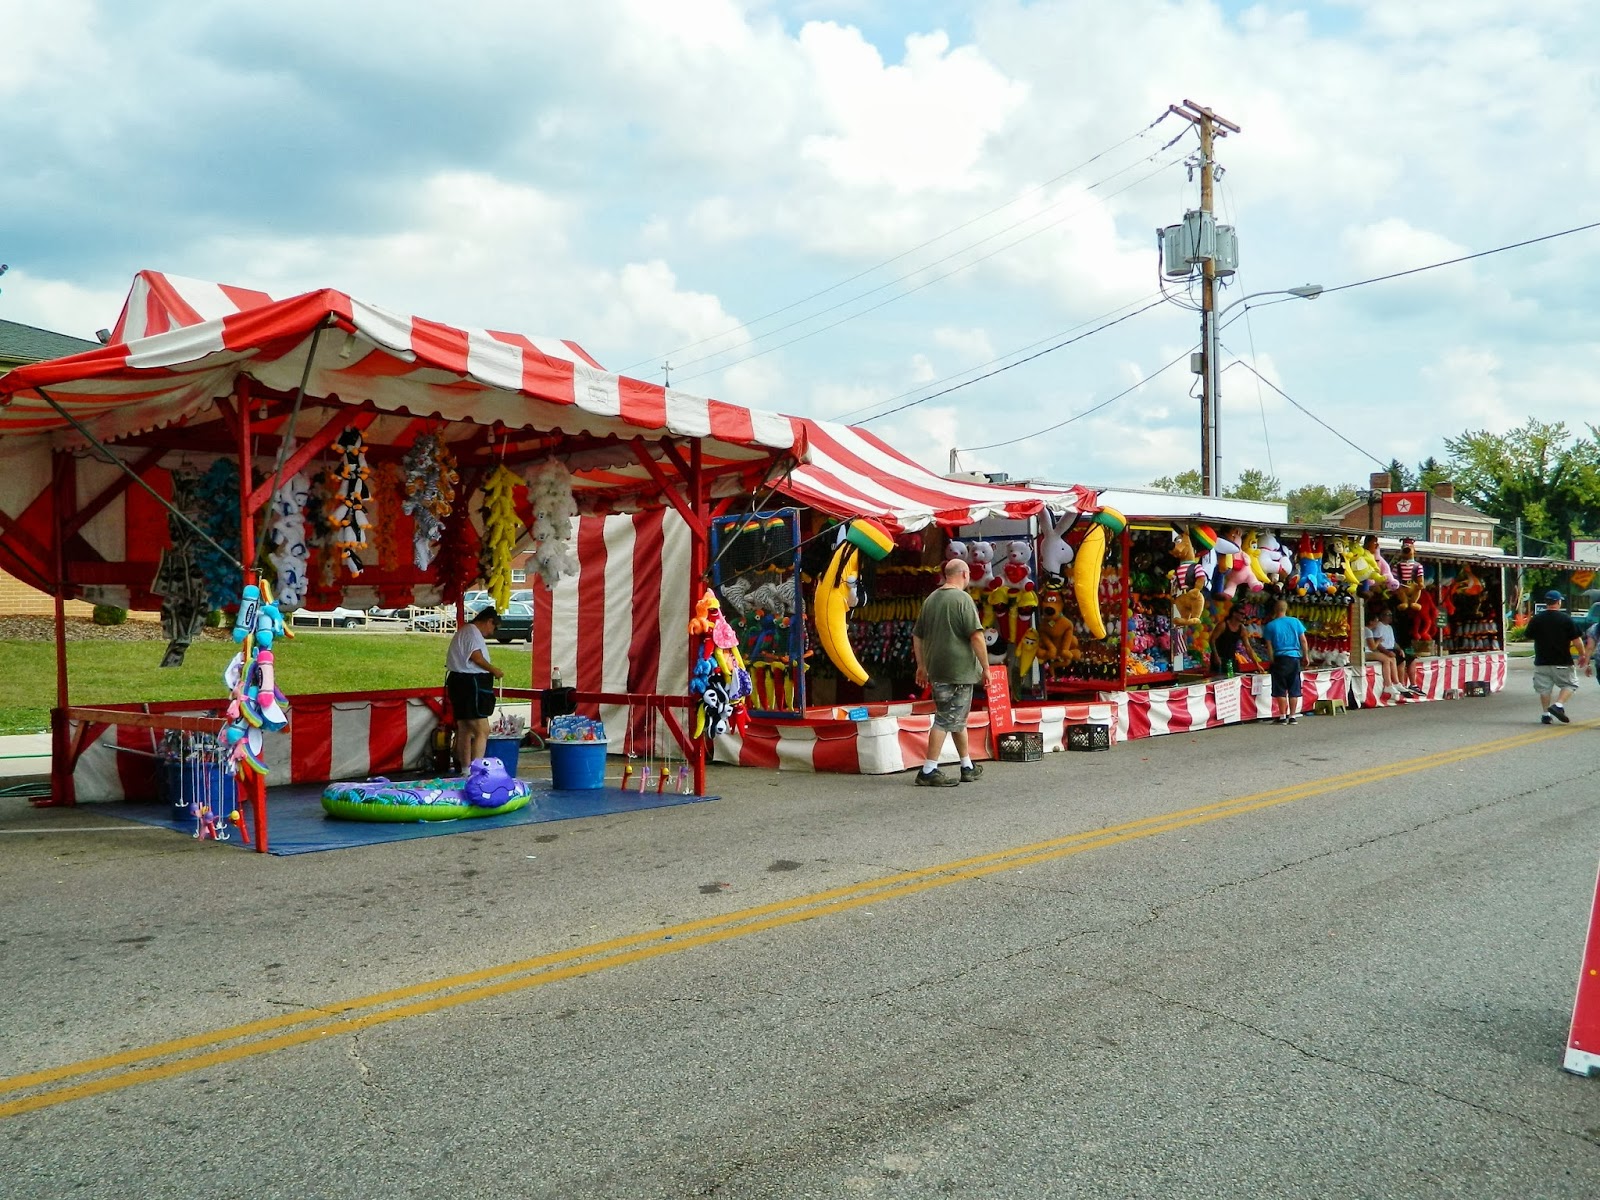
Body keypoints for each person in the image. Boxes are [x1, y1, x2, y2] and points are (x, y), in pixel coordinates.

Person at [912, 557, 989, 786]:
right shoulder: (963, 600)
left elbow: (917, 634)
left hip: (937, 669)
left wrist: (922, 665)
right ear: (964, 574)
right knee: (946, 718)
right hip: (959, 670)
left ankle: (967, 765)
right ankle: (928, 770)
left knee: (956, 716)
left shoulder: (931, 599)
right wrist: (986, 667)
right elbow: (976, 636)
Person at [445, 606, 506, 770]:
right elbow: (476, 657)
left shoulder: (466, 631)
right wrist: (494, 670)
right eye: (494, 627)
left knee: (464, 727)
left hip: (458, 680)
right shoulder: (472, 632)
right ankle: (477, 770)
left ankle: (465, 770)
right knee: (482, 729)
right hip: (471, 682)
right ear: (489, 621)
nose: (492, 632)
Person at [1527, 590, 1586, 724]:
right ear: (1559, 602)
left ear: (1546, 603)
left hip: (1541, 661)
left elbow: (1529, 635)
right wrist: (1582, 654)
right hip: (1562, 660)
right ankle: (1558, 705)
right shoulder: (1566, 619)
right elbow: (1577, 640)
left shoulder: (1537, 619)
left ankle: (1546, 714)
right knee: (1570, 684)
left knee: (1544, 688)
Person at [1263, 598, 1310, 725]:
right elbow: (1303, 640)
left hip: (1280, 658)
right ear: (1286, 609)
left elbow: (1269, 646)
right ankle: (1293, 716)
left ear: (1274, 610)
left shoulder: (1270, 626)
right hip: (1294, 658)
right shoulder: (1295, 622)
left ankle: (1282, 716)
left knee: (1280, 688)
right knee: (1294, 687)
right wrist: (1305, 656)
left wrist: (1272, 661)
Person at [1362, 607, 1412, 701]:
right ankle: (1388, 684)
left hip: (1370, 650)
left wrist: (1399, 649)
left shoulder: (1370, 630)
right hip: (1367, 651)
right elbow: (1373, 647)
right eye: (1376, 621)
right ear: (1371, 622)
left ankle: (1396, 682)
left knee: (1393, 659)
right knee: (1386, 659)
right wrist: (1379, 641)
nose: (1377, 623)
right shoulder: (1368, 630)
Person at [1210, 606, 1261, 676]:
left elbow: (1248, 647)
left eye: (1244, 614)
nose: (1244, 616)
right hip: (1219, 659)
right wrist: (1216, 656)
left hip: (1231, 659)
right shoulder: (1223, 625)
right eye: (1241, 614)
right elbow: (1212, 640)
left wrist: (1256, 664)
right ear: (1234, 613)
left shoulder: (1242, 629)